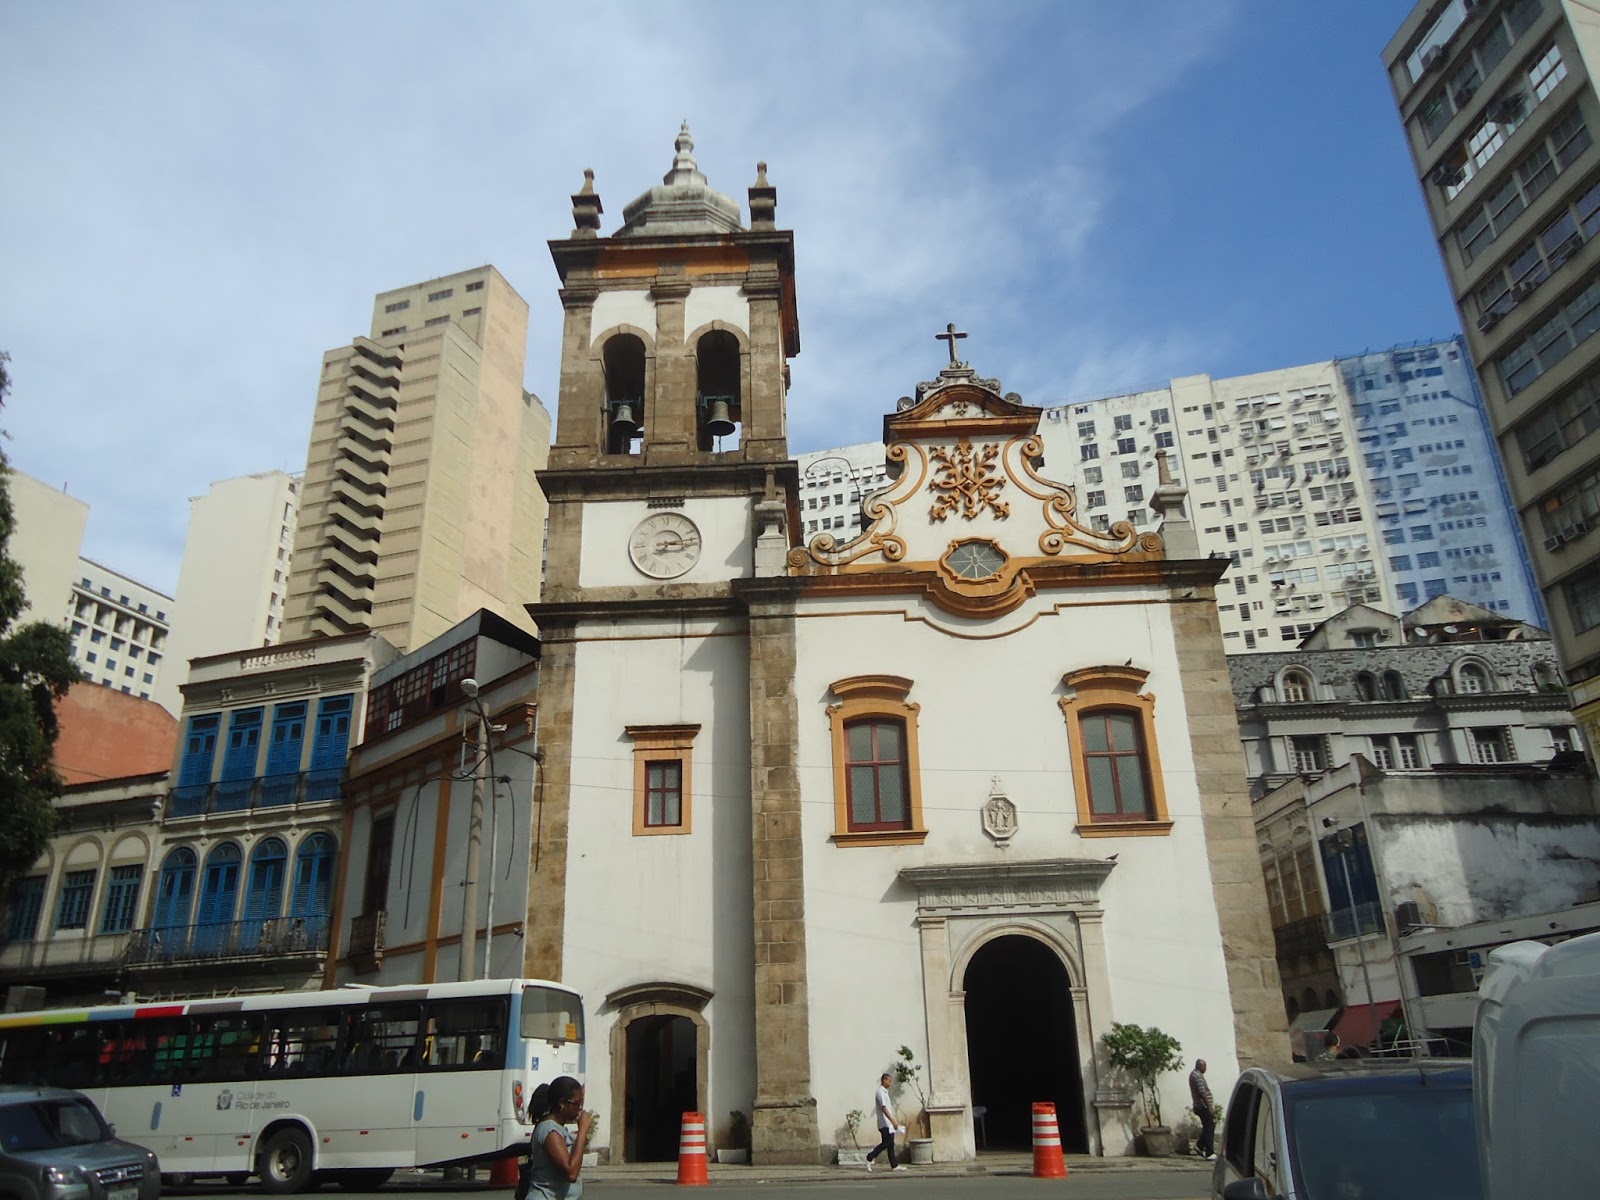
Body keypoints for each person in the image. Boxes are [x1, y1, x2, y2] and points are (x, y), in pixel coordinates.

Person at [517, 1076, 591, 1199]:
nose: (580, 1108)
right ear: (561, 1103)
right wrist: (582, 1131)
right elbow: (571, 1173)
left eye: (581, 1103)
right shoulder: (550, 1131)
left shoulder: (559, 1128)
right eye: (576, 1104)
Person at [864, 1071, 907, 1172]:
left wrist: (892, 1121)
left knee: (890, 1144)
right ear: (884, 1080)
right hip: (884, 1123)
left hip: (889, 1124)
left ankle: (894, 1165)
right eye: (889, 1081)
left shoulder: (885, 1093)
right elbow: (884, 1107)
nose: (890, 1083)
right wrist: (893, 1121)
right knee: (886, 1143)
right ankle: (869, 1157)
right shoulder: (880, 1092)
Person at [1189, 1058, 1215, 1161]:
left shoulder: (1195, 1075)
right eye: (1205, 1066)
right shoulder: (1198, 1076)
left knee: (1208, 1126)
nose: (1206, 1069)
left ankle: (1200, 1146)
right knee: (1209, 1126)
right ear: (1200, 1066)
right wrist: (1209, 1106)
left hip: (1200, 1105)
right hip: (1202, 1106)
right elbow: (1202, 1092)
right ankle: (1209, 1152)